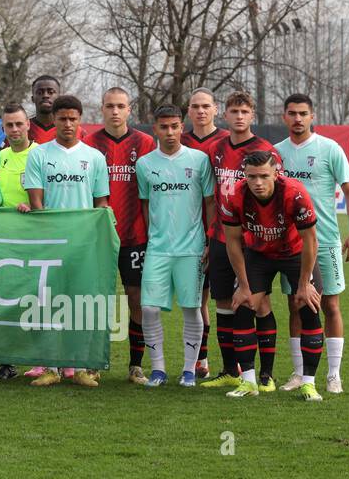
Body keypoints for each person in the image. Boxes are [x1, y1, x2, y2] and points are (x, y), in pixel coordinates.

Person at [219, 151, 325, 401]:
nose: (257, 182)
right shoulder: (234, 195)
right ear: (244, 175)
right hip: (259, 254)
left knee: (307, 305)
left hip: (295, 254)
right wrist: (243, 286)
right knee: (244, 305)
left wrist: (304, 284)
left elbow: (311, 241)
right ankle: (248, 382)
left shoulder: (294, 193)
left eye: (264, 176)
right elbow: (233, 243)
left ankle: (309, 383)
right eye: (252, 176)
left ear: (276, 174)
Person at [22, 95, 109, 387]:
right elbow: (36, 202)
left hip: (84, 245)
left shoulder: (95, 157)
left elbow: (101, 205)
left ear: (80, 120)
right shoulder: (39, 154)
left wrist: (95, 237)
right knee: (48, 303)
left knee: (81, 303)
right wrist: (49, 235)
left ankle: (81, 366)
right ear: (54, 121)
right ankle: (50, 367)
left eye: (73, 119)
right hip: (50, 242)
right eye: (62, 119)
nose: (68, 124)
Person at [200, 92, 283, 390]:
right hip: (222, 236)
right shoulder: (216, 148)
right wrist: (209, 237)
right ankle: (229, 370)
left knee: (257, 303)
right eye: (233, 111)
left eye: (244, 111)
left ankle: (266, 374)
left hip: (253, 242)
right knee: (223, 302)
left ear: (252, 115)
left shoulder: (265, 150)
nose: (238, 116)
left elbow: (276, 195)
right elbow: (210, 194)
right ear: (224, 114)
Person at [277, 93, 349, 395]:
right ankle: (299, 373)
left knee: (330, 304)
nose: (297, 119)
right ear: (283, 117)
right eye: (292, 113)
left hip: (324, 241)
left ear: (312, 116)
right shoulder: (276, 153)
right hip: (290, 245)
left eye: (303, 113)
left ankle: (333, 375)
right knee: (296, 304)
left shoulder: (330, 149)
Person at [135, 105, 215, 387]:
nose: (169, 132)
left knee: (192, 309)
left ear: (182, 127)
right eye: (163, 127)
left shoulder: (200, 160)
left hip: (192, 249)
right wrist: (152, 237)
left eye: (174, 126)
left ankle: (189, 371)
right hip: (158, 249)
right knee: (149, 309)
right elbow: (145, 205)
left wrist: (209, 238)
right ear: (154, 128)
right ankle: (158, 370)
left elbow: (209, 202)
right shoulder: (144, 164)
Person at [84, 87, 156, 384]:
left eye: (121, 106)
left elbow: (153, 191)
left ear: (130, 110)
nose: (115, 111)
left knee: (136, 299)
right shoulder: (89, 144)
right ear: (101, 109)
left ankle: (135, 365)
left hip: (135, 234)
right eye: (110, 106)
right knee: (93, 298)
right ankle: (91, 363)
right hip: (99, 237)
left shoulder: (146, 143)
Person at [182, 86, 229, 375]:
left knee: (228, 299)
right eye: (195, 106)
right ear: (189, 111)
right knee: (198, 300)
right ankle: (202, 359)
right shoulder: (179, 140)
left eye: (206, 106)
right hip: (187, 233)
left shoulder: (227, 141)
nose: (200, 111)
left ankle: (236, 364)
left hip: (224, 233)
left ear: (215, 109)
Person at [0, 103, 37, 381]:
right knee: (3, 300)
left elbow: (51, 197)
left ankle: (42, 360)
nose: (14, 130)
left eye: (18, 124)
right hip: (2, 239)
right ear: (3, 128)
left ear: (28, 125)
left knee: (34, 299)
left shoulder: (41, 156)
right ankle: (5, 361)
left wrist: (33, 206)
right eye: (9, 125)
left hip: (34, 238)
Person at [26, 74, 61, 145]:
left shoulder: (73, 130)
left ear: (59, 98)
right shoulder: (22, 129)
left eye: (50, 92)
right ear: (32, 99)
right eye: (39, 93)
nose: (45, 95)